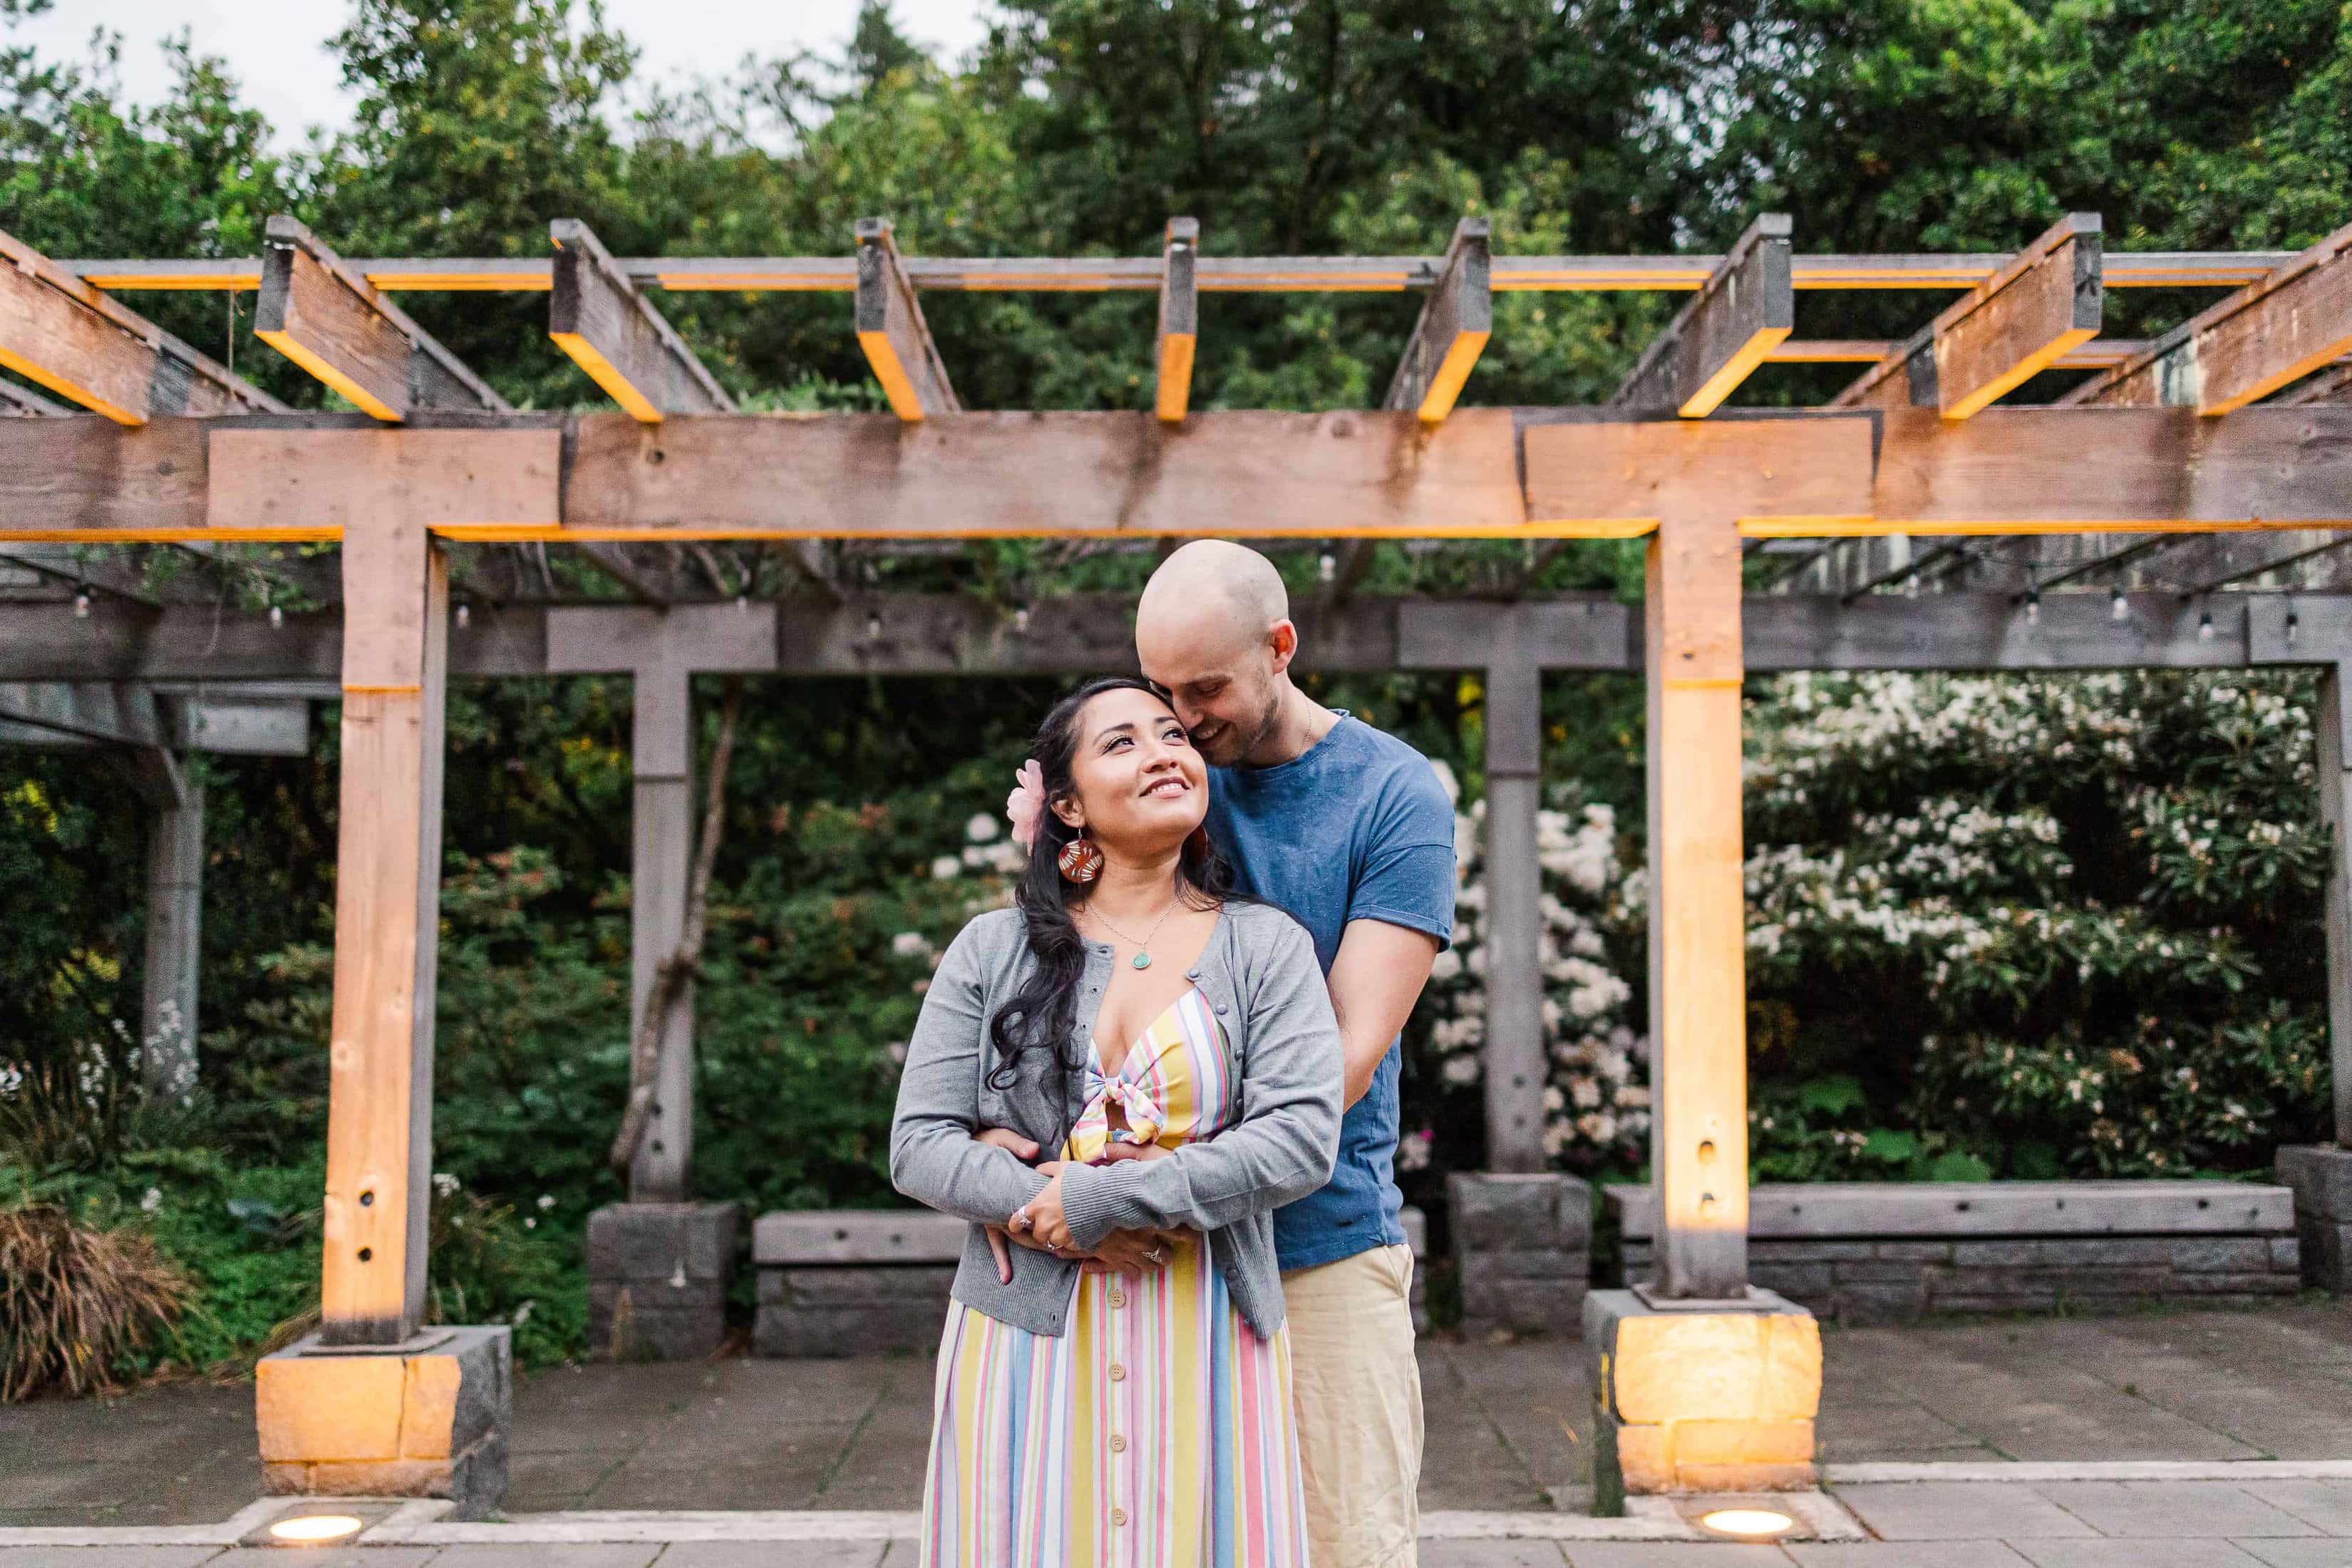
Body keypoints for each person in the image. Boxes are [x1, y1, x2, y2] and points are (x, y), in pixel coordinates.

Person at [890, 676, 1344, 1568]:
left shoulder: (1267, 947)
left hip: (1206, 1322)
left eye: (1173, 734)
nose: (1163, 753)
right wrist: (1040, 1209)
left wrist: (1104, 1199)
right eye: (1122, 742)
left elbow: (1299, 1140)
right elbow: (918, 1144)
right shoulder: (992, 948)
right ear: (1066, 804)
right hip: (1026, 1339)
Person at [1135, 540, 1458, 1568]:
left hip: (1320, 1247)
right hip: (1150, 1257)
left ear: (1281, 647)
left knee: (1345, 1546)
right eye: (1159, 691)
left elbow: (1342, 1062)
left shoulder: (1393, 795)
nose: (1181, 720)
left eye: (1204, 689)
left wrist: (1143, 1175)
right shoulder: (1159, 778)